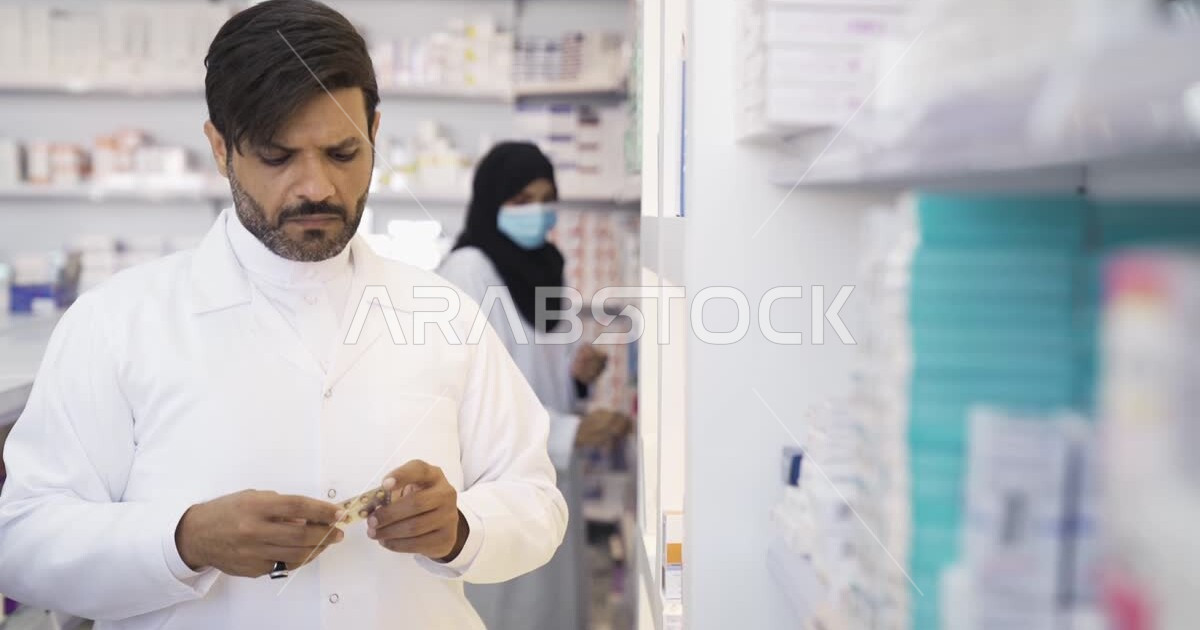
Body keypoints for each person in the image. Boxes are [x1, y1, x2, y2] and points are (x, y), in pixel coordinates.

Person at [0, 2, 566, 629]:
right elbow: (24, 540)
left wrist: (460, 528)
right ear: (220, 147)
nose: (317, 186)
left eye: (343, 152)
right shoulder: (116, 324)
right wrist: (183, 540)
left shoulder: (445, 314)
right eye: (277, 156)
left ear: (375, 131)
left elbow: (537, 501)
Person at [437, 142, 632, 630]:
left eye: (547, 198)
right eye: (522, 199)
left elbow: (544, 370)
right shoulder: (468, 271)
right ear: (491, 201)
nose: (538, 211)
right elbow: (471, 401)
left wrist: (577, 376)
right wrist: (572, 433)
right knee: (511, 610)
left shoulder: (549, 267)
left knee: (554, 605)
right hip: (495, 489)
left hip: (551, 481)